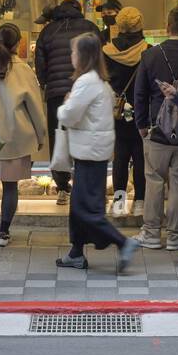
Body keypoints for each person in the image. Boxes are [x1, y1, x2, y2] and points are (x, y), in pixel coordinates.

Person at [55, 32, 142, 273]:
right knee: (79, 205)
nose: (71, 56)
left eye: (73, 52)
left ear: (82, 55)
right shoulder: (99, 82)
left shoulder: (86, 82)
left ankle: (123, 243)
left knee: (87, 208)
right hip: (94, 151)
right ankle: (75, 252)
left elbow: (69, 115)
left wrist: (64, 105)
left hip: (89, 153)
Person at [132, 6, 178, 250]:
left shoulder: (151, 55)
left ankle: (151, 234)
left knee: (154, 181)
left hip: (157, 131)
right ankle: (174, 236)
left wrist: (141, 125)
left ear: (168, 27)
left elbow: (139, 93)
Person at [0, 23, 48, 247]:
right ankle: (3, 232)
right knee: (10, 185)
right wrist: (41, 135)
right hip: (16, 135)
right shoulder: (23, 69)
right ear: (18, 43)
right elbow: (35, 106)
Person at [34, 0, 97, 204]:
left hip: (57, 94)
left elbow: (40, 64)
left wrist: (46, 83)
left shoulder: (48, 31)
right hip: (85, 91)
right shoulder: (89, 27)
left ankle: (62, 187)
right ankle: (83, 183)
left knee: (59, 137)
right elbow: (99, 58)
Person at [103, 6, 149, 216]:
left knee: (120, 156)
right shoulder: (147, 51)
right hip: (141, 111)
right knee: (140, 156)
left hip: (116, 111)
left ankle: (119, 203)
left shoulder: (106, 52)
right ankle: (140, 201)